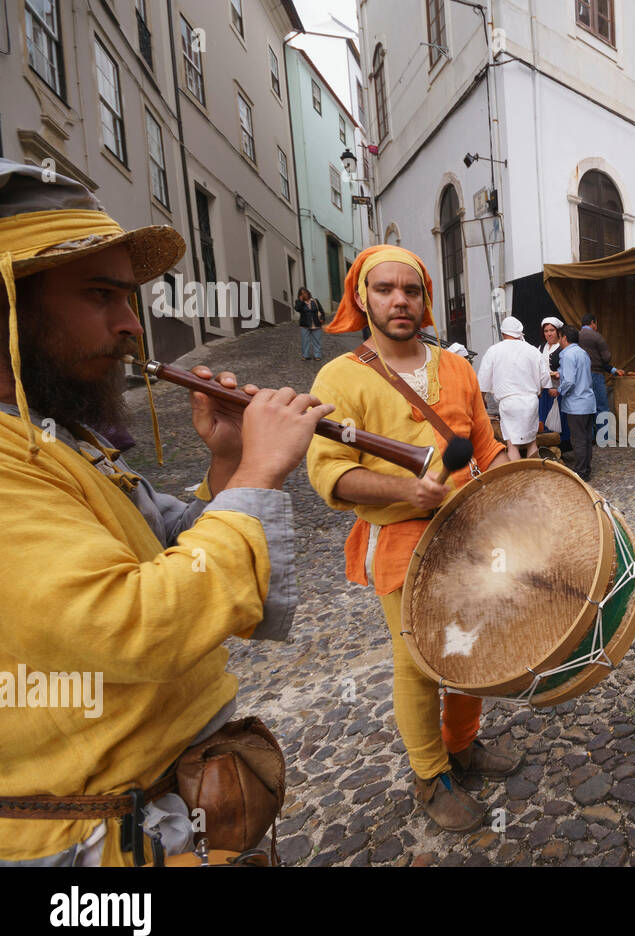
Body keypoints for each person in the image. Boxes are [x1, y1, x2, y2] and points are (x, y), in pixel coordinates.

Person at [0, 159, 330, 865]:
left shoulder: (53, 434)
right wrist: (264, 472)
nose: (131, 326)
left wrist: (231, 462)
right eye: (101, 296)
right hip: (90, 849)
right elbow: (135, 621)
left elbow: (172, 544)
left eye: (130, 300)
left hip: (177, 808)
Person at [305, 245, 519, 835]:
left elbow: (484, 447)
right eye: (385, 290)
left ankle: (462, 744)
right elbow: (330, 472)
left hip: (469, 533)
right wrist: (408, 491)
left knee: (473, 648)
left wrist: (516, 493)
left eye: (412, 290)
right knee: (421, 663)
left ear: (426, 300)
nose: (400, 300)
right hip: (401, 540)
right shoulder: (340, 377)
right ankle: (430, 775)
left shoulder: (456, 368)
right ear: (361, 299)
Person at [478, 316, 550, 461]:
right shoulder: (532, 350)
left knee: (513, 446)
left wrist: (482, 398)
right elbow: (545, 378)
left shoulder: (494, 350)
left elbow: (483, 379)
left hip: (509, 403)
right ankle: (535, 476)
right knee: (531, 443)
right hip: (530, 401)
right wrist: (540, 391)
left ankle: (519, 478)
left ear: (503, 333)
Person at [557, 324, 596, 481]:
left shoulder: (567, 354)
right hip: (588, 401)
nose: (559, 341)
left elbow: (570, 381)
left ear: (564, 338)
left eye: (559, 337)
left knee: (578, 439)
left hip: (575, 404)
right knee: (586, 439)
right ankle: (586, 468)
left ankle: (580, 472)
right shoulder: (583, 353)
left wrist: (558, 390)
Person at [578, 314, 622, 436]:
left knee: (586, 407)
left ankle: (589, 436)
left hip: (581, 376)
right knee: (601, 406)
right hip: (595, 375)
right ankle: (603, 437)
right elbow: (606, 358)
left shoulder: (576, 336)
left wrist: (613, 370)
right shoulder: (596, 336)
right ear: (593, 323)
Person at [537, 317, 568, 447]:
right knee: (543, 419)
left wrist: (558, 375)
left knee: (559, 420)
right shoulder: (540, 347)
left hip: (557, 390)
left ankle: (562, 446)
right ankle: (546, 446)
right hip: (543, 390)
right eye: (546, 331)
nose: (549, 334)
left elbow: (567, 370)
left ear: (558, 332)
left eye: (552, 330)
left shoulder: (562, 348)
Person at [296, 287, 326, 361]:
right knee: (305, 341)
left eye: (305, 293)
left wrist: (322, 319)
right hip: (304, 325)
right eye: (302, 294)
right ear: (300, 295)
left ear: (308, 293)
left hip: (316, 324)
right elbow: (297, 309)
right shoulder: (299, 302)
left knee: (317, 341)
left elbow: (321, 311)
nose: (304, 295)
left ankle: (317, 355)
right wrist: (301, 301)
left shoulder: (315, 301)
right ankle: (306, 355)